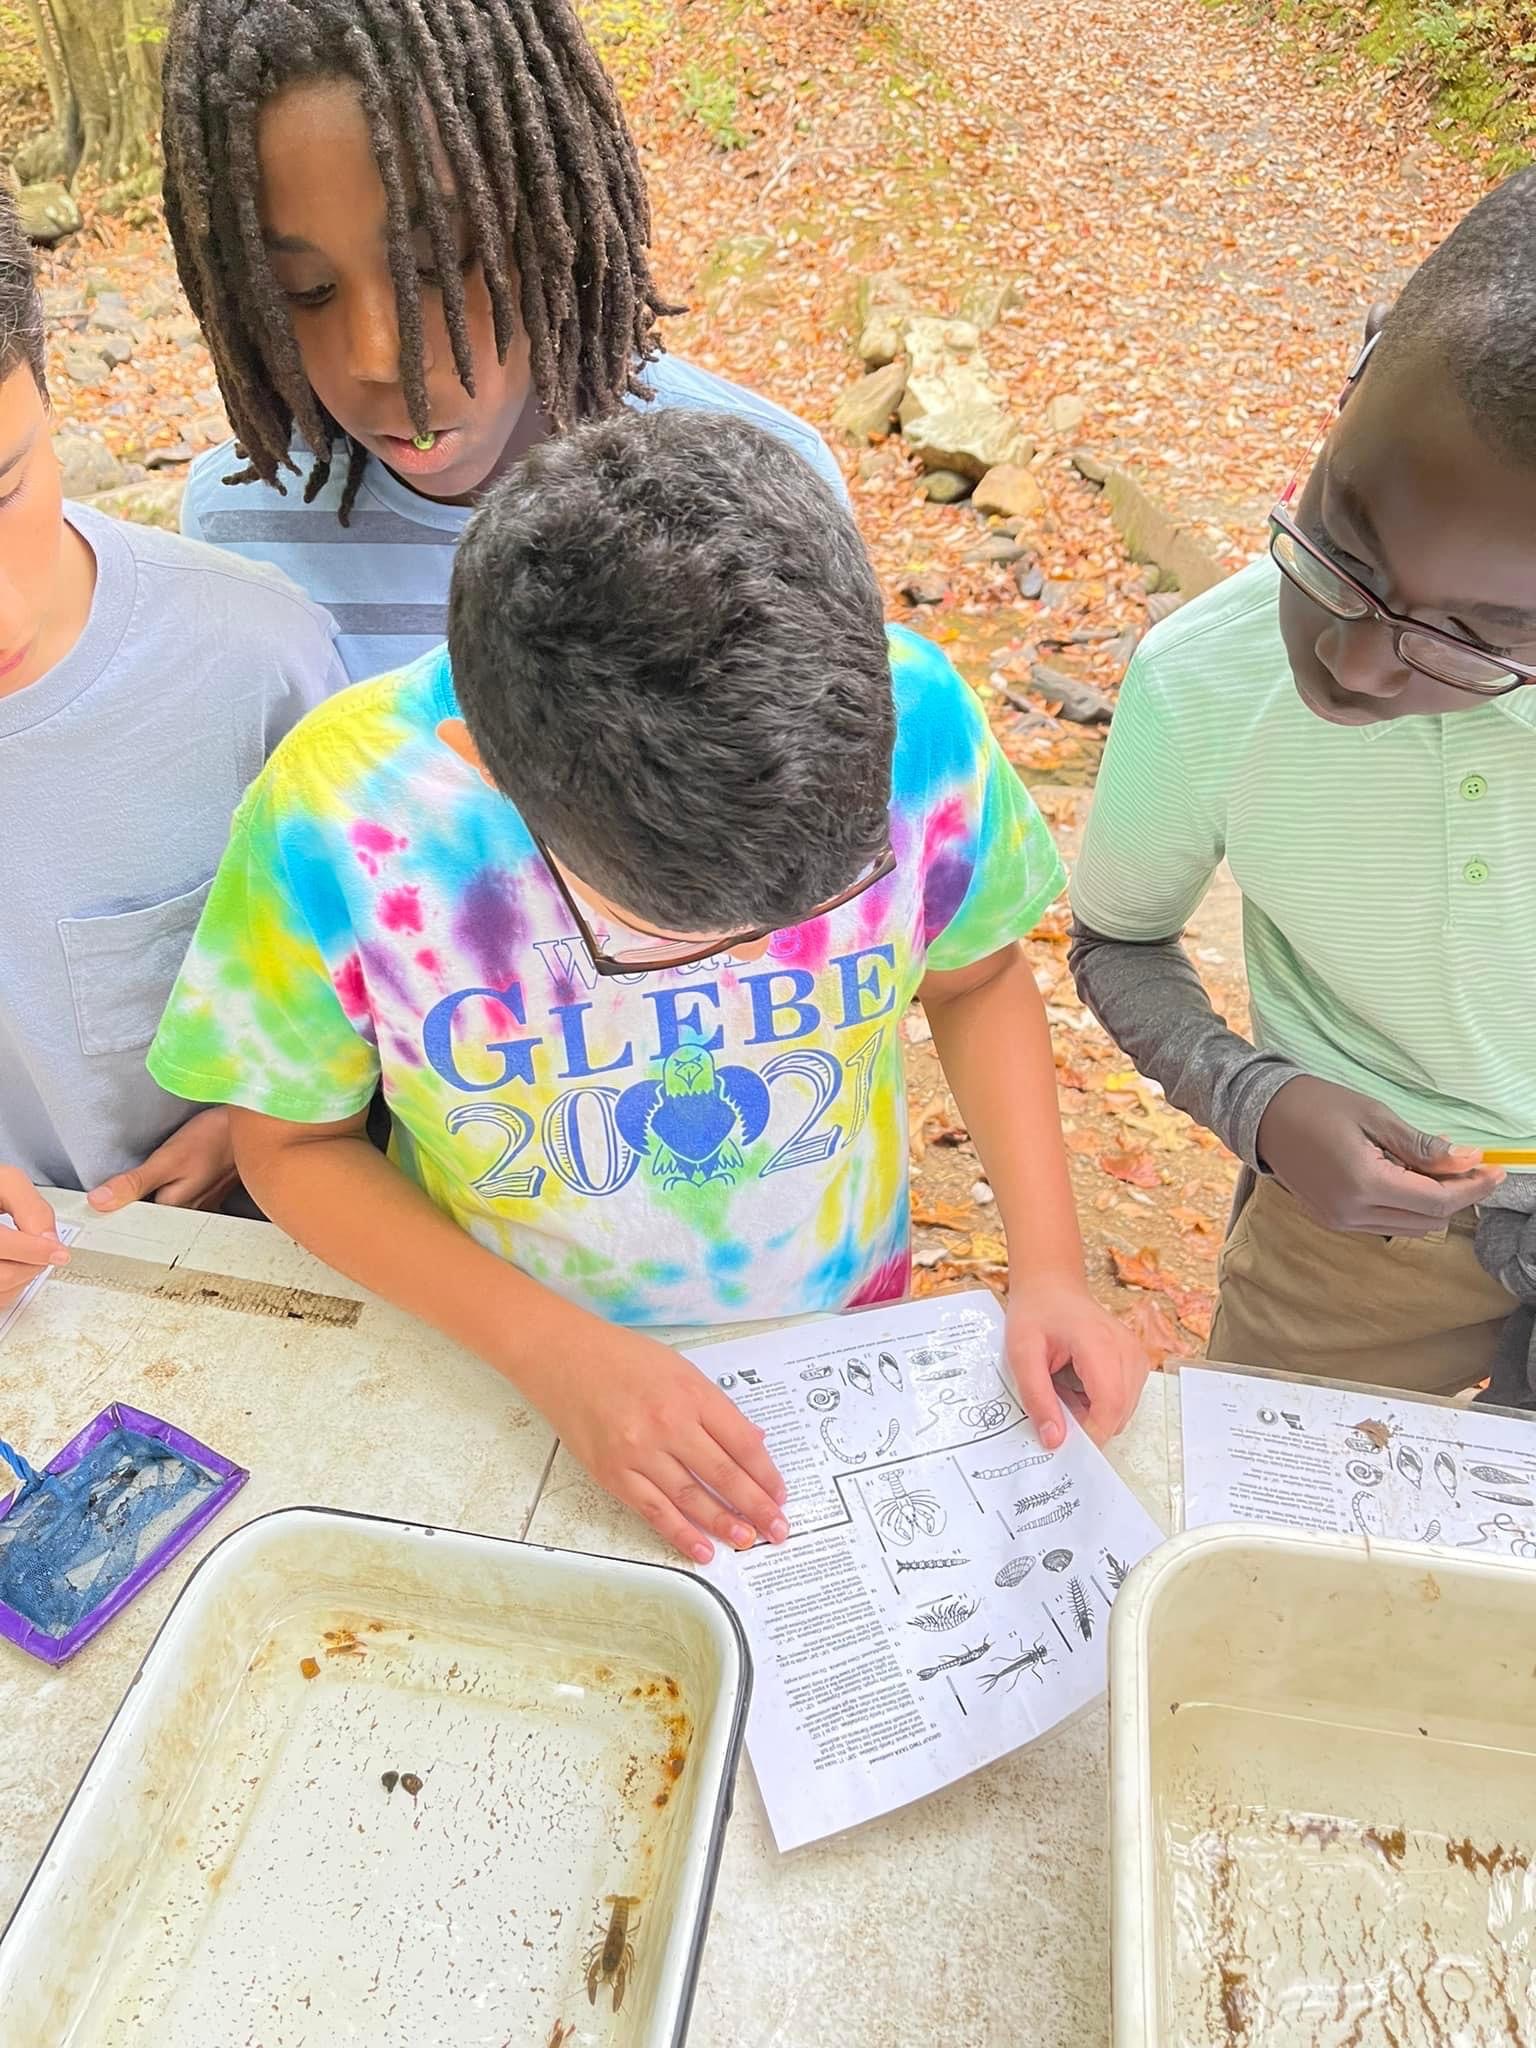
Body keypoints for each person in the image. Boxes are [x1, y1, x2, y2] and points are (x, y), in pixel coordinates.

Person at [149, 409, 1148, 1559]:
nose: (733, 962)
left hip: (833, 1333)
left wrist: (1053, 1269)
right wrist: (551, 1353)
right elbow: (293, 1146)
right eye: (659, 933)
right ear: (490, 766)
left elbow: (974, 983)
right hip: (501, 1360)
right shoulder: (341, 812)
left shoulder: (909, 716)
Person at [1069, 170, 1536, 1397]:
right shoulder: (1201, 683)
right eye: (1343, 541)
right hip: (1354, 1242)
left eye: (1477, 637)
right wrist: (1254, 1100)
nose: (1355, 658)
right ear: (1360, 366)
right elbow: (1116, 941)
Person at [160, 0, 846, 682]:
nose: (376, 357)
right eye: (305, 290)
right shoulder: (242, 535)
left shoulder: (765, 490)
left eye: (438, 264)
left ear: (559, 219)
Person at [0, 186, 346, 1312]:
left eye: (4, 483)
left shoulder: (250, 654)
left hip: (263, 1287)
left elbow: (376, 967)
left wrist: (257, 1120)